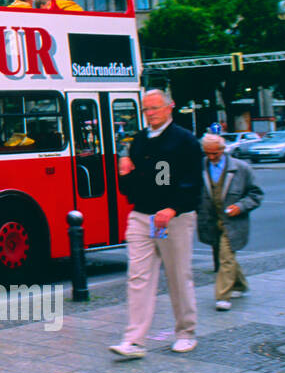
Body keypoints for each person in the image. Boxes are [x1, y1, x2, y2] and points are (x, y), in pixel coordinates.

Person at [110, 88, 203, 358]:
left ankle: (186, 332)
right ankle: (134, 340)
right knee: (138, 277)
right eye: (146, 110)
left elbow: (193, 184)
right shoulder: (139, 140)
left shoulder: (185, 141)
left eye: (154, 108)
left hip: (172, 218)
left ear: (169, 107)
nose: (150, 114)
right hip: (142, 215)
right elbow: (130, 187)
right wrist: (125, 173)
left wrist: (173, 208)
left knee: (177, 276)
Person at [196, 134, 263, 311]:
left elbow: (256, 195)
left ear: (223, 150)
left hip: (233, 222)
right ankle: (240, 285)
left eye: (215, 154)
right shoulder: (199, 168)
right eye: (207, 153)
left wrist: (241, 206)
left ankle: (222, 296)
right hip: (210, 221)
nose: (211, 157)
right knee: (226, 255)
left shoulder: (241, 169)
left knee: (225, 257)